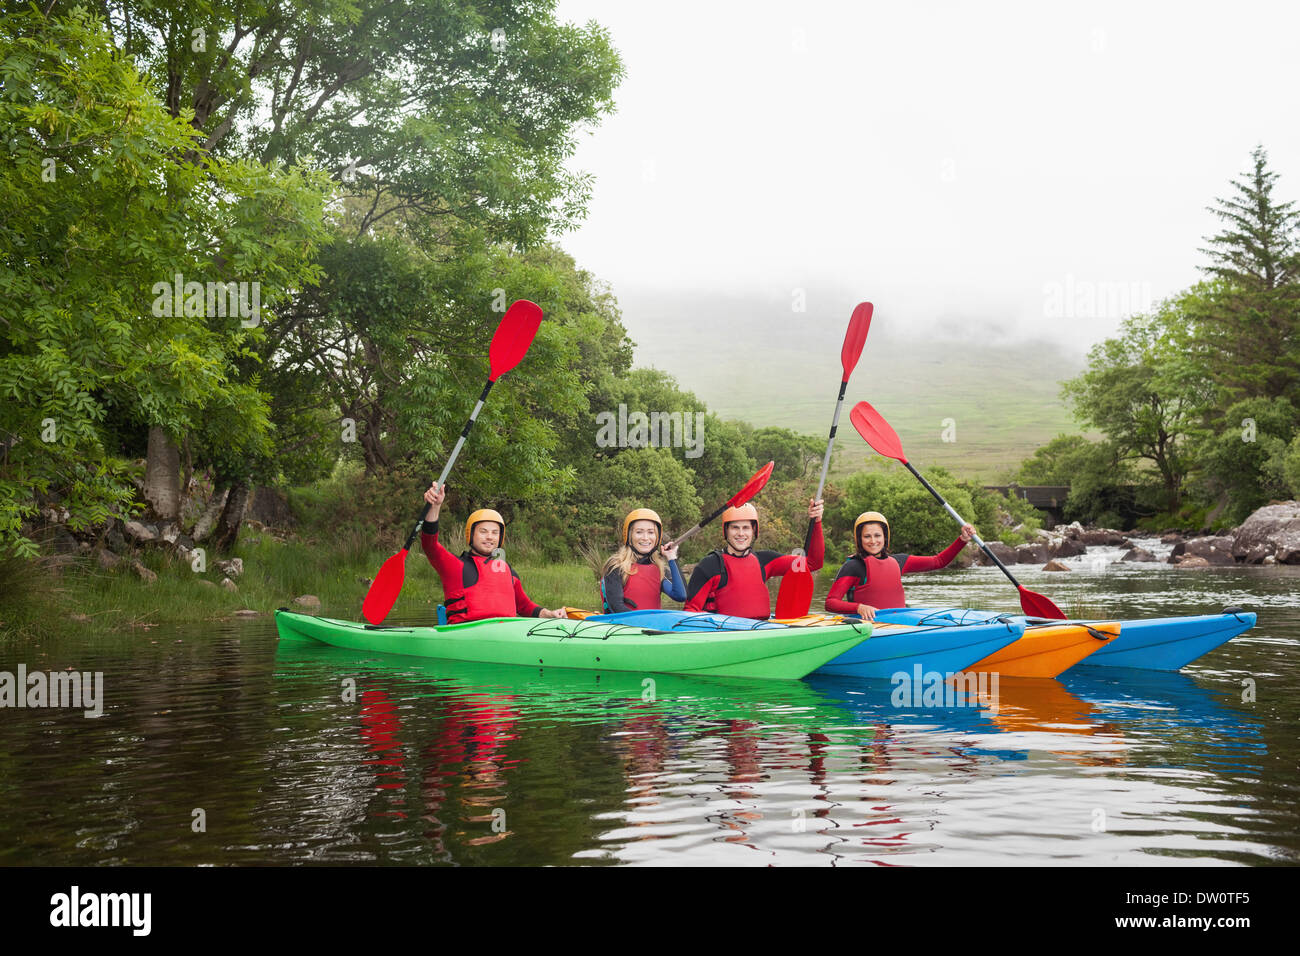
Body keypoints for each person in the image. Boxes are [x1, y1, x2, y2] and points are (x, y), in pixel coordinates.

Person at [420, 483, 565, 622]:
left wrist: (550, 614)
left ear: (500, 538)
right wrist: (435, 507)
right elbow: (430, 545)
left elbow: (525, 606)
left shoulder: (508, 571)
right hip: (467, 635)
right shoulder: (455, 566)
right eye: (483, 531)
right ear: (471, 534)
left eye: (495, 533)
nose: (489, 537)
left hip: (506, 636)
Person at [685, 498, 824, 619]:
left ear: (753, 531)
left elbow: (812, 563)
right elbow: (690, 611)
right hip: (726, 636)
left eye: (746, 528)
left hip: (761, 630)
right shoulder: (710, 565)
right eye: (735, 528)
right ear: (726, 531)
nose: (740, 533)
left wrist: (817, 522)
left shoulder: (764, 561)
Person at [824, 511, 975, 620]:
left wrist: (962, 539)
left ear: (885, 537)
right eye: (867, 536)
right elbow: (831, 603)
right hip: (867, 629)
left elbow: (938, 561)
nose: (873, 541)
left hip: (898, 625)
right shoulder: (854, 566)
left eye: (877, 535)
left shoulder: (898, 561)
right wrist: (859, 607)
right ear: (859, 539)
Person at [601, 508, 687, 612]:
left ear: (657, 537)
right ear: (629, 536)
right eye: (639, 532)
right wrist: (644, 624)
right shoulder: (616, 566)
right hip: (623, 625)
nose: (645, 538)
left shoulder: (659, 570)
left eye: (651, 532)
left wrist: (672, 558)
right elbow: (616, 607)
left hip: (650, 626)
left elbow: (681, 596)